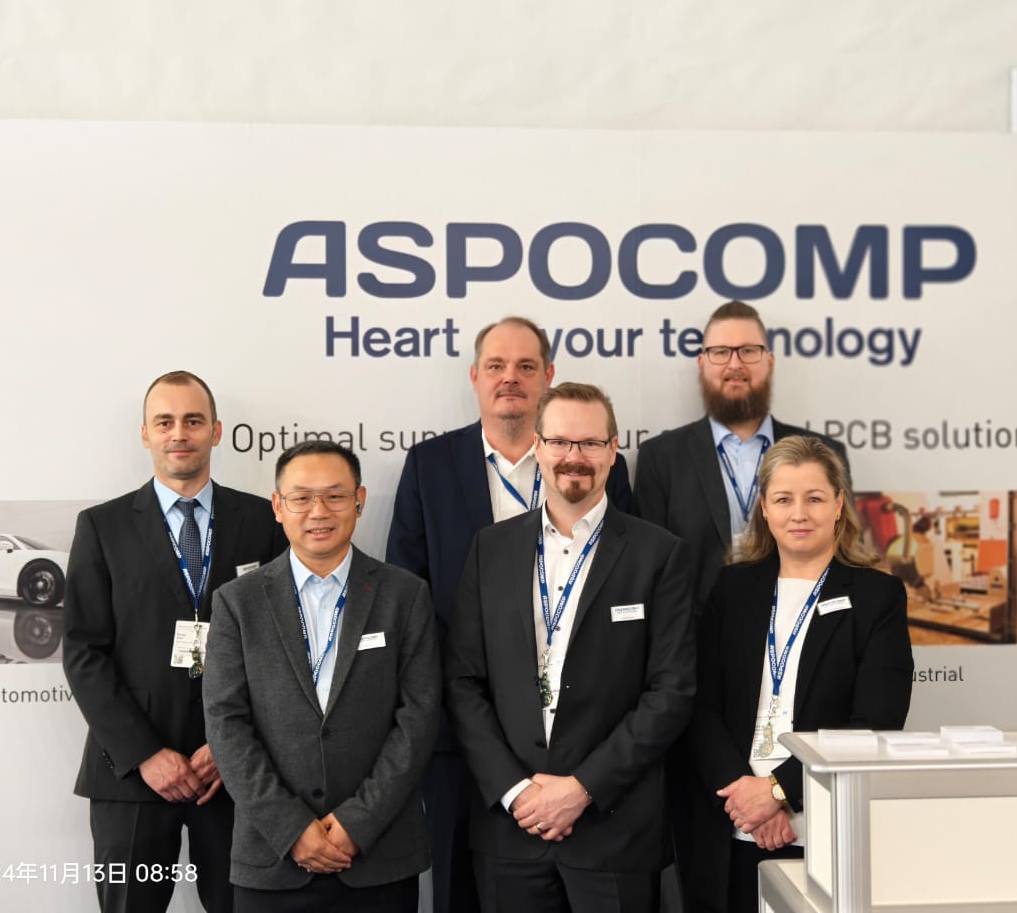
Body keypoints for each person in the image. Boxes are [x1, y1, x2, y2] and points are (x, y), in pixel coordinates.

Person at [386, 316, 634, 913]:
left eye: (526, 367)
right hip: (459, 734)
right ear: (475, 377)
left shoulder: (599, 468)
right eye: (496, 366)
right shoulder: (429, 466)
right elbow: (409, 598)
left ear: (549, 377)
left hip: (575, 746)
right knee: (459, 893)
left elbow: (621, 587)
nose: (510, 379)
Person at [444, 383, 694, 913]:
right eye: (559, 442)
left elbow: (671, 692)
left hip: (614, 831)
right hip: (510, 830)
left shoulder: (660, 554)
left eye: (590, 443)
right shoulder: (490, 549)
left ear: (613, 450)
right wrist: (516, 791)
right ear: (538, 446)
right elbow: (462, 681)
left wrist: (582, 788)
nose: (573, 457)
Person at [63, 370, 287, 913]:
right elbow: (84, 652)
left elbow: (283, 646)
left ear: (216, 431)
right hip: (132, 775)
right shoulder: (102, 526)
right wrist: (144, 754)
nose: (179, 434)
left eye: (193, 420)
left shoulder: (265, 519)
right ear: (145, 434)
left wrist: (231, 747)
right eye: (164, 422)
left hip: (236, 772)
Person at [203, 440, 439, 913]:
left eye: (335, 495)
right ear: (277, 506)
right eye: (301, 497)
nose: (319, 511)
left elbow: (419, 717)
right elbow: (226, 724)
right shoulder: (237, 601)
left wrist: (359, 821)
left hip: (379, 855)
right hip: (272, 859)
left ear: (360, 500)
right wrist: (290, 828)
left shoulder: (405, 595)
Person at [686, 436, 913, 913]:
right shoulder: (732, 589)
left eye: (814, 498)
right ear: (764, 509)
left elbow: (876, 722)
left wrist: (778, 791)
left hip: (824, 828)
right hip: (732, 822)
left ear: (838, 505)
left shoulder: (877, 597)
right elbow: (701, 706)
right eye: (784, 499)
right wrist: (747, 797)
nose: (799, 514)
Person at [634, 300, 850, 612]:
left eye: (748, 351)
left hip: (802, 629)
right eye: (721, 352)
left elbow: (844, 558)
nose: (735, 364)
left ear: (770, 361)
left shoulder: (825, 455)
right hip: (699, 637)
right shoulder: (660, 458)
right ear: (702, 363)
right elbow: (652, 573)